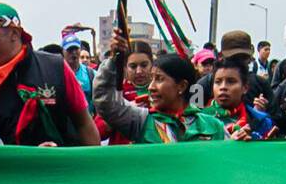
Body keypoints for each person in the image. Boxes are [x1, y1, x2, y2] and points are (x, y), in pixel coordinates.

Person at [0, 2, 100, 146]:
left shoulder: (55, 67)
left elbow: (84, 124)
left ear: (14, 34)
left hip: (53, 167)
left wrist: (93, 166)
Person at [93, 32, 227, 143]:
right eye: (152, 79)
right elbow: (105, 101)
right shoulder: (141, 121)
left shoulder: (214, 126)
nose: (151, 87)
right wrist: (114, 59)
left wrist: (241, 142)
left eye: (159, 79)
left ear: (181, 86)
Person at [204, 56, 273, 139]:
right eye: (218, 82)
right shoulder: (200, 121)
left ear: (245, 88)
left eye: (231, 81)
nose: (223, 87)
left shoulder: (261, 121)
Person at [62, 34, 96, 113]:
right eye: (70, 49)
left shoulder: (91, 74)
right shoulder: (57, 74)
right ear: (63, 51)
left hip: (87, 122)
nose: (73, 52)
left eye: (76, 49)